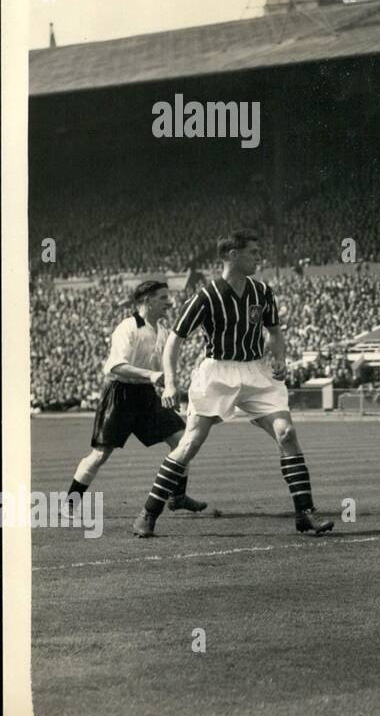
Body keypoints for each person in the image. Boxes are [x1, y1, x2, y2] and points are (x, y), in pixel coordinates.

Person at [130, 231, 334, 538]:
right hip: (217, 373)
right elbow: (174, 342)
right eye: (252, 252)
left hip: (256, 371)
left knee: (287, 433)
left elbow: (275, 332)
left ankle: (305, 514)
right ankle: (148, 513)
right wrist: (171, 384)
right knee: (189, 444)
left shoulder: (263, 291)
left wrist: (279, 358)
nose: (258, 257)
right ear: (231, 256)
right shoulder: (205, 296)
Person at [68, 280, 206, 518]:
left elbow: (161, 370)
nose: (169, 303)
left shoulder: (162, 331)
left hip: (146, 396)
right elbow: (116, 366)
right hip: (120, 395)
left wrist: (168, 384)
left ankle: (178, 496)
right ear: (147, 300)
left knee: (182, 441)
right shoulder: (127, 327)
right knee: (100, 454)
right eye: (163, 298)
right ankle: (69, 504)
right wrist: (152, 375)